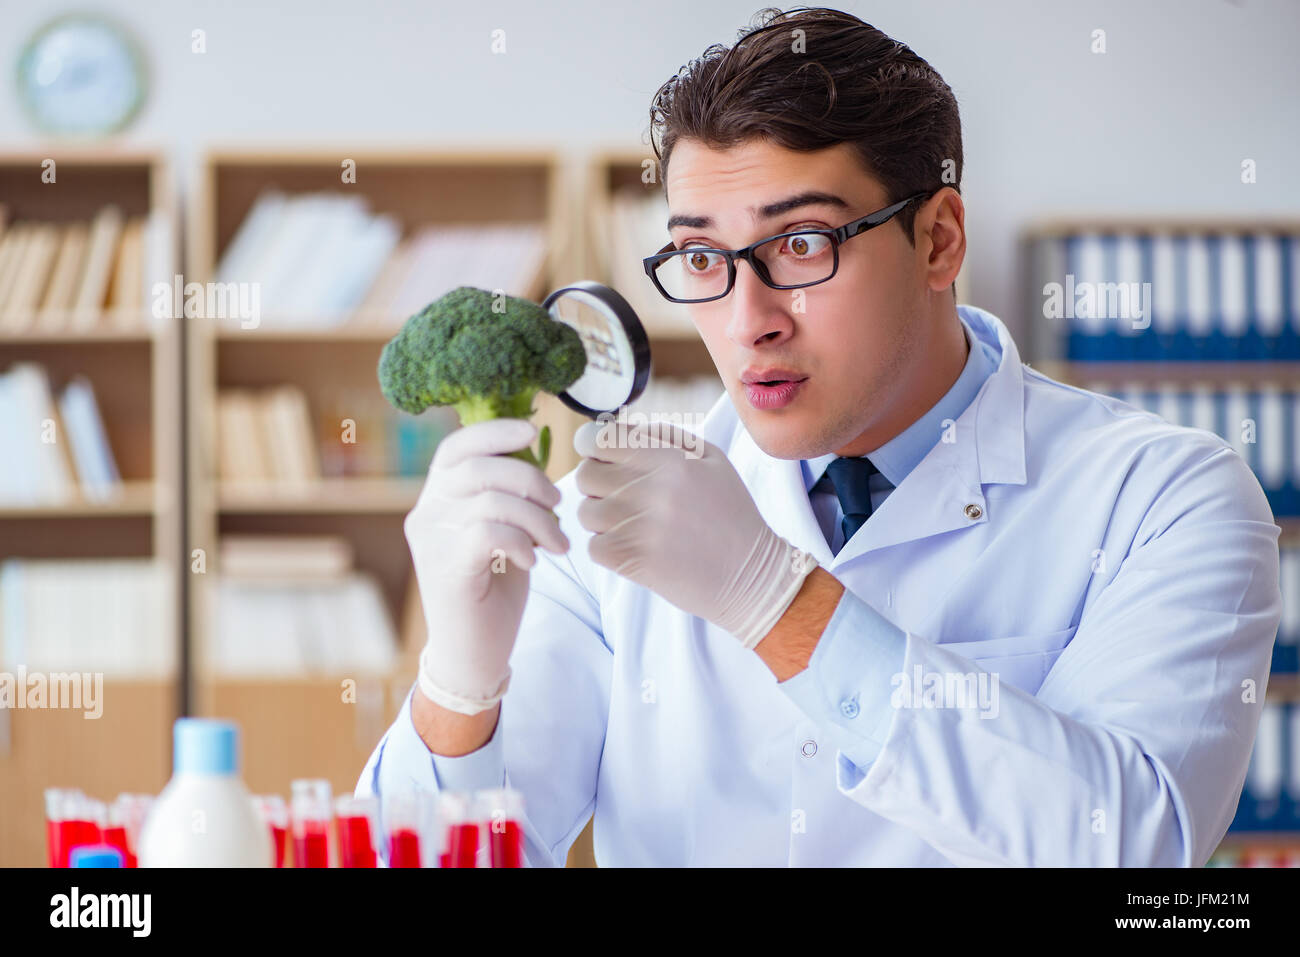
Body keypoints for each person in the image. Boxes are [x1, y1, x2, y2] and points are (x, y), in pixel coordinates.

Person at [357, 7, 1282, 866]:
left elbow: (1137, 843)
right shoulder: (598, 531)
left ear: (939, 239)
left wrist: (777, 602)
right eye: (703, 258)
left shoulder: (1167, 497)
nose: (747, 318)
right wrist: (459, 687)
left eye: (802, 243)